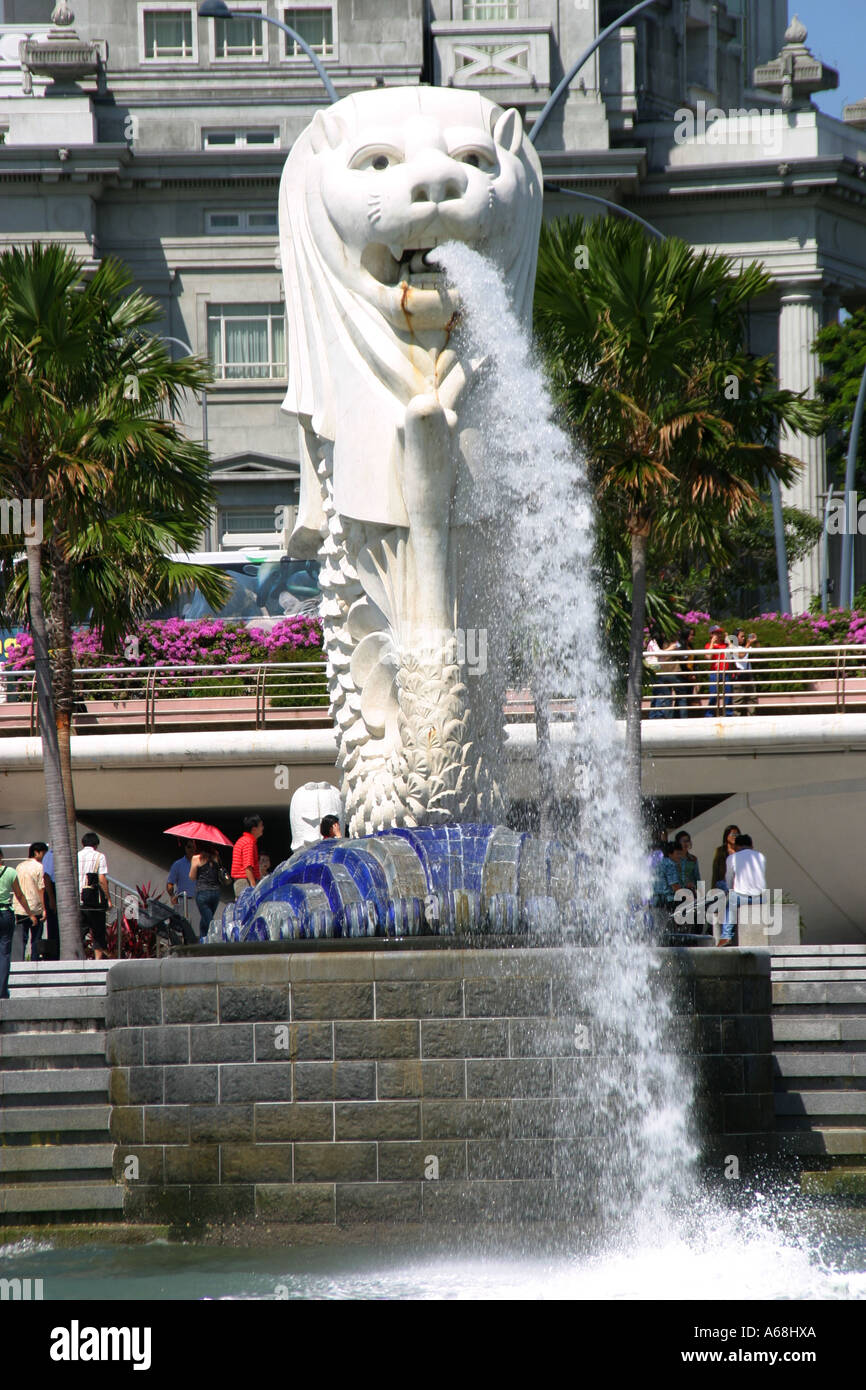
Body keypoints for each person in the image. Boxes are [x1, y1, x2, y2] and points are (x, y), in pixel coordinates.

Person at [722, 832, 768, 946]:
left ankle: (726, 936)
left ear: (736, 846)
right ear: (751, 846)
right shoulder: (761, 856)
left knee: (730, 905)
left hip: (740, 897)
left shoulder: (732, 857)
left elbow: (729, 878)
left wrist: (728, 890)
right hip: (761, 897)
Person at [11, 841, 49, 963]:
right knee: (36, 938)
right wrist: (44, 908)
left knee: (21, 938)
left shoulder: (19, 866)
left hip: (20, 907)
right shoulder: (40, 867)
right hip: (35, 907)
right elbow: (41, 889)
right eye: (43, 853)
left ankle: (19, 961)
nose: (44, 856)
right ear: (36, 852)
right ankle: (34, 961)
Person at [78, 832, 112, 961]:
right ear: (96, 844)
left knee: (80, 931)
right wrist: (108, 898)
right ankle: (98, 959)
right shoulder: (99, 856)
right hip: (93, 900)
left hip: (78, 898)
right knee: (98, 930)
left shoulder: (76, 855)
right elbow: (102, 878)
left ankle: (80, 958)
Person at [189, 843, 224, 944]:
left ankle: (217, 941)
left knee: (209, 921)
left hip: (202, 893)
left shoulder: (196, 858)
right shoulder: (216, 857)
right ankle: (202, 942)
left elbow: (192, 876)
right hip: (216, 893)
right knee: (205, 920)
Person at [0, 848, 18, 999]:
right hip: (5, 913)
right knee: (5, 954)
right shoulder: (10, 872)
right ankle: (2, 991)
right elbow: (19, 894)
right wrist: (30, 913)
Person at [231, 815, 264, 898]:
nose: (263, 828)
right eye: (261, 825)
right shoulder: (248, 843)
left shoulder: (242, 840)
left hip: (241, 882)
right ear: (254, 829)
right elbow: (248, 865)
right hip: (245, 882)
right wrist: (253, 885)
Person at [704, 625, 732, 717]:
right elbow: (708, 657)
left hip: (726, 672)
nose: (719, 635)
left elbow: (733, 653)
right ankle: (709, 715)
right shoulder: (708, 645)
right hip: (714, 672)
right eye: (717, 633)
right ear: (711, 634)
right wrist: (712, 642)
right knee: (713, 695)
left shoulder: (726, 645)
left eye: (720, 633)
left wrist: (729, 641)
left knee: (728, 694)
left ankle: (728, 714)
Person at [730, 629, 758, 717]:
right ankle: (736, 720)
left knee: (752, 699)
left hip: (749, 675)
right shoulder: (732, 647)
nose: (744, 638)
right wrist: (748, 643)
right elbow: (741, 655)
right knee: (738, 701)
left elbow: (758, 650)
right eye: (741, 636)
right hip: (739, 676)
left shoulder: (746, 646)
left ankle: (752, 718)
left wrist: (755, 641)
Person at [167, 840, 196, 917]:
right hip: (182, 901)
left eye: (194, 847)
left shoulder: (200, 865)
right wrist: (172, 895)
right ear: (185, 848)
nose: (191, 849)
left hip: (196, 903)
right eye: (189, 847)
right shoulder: (178, 864)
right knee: (181, 927)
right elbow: (170, 883)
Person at [40, 846, 59, 961]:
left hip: (60, 890)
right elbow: (46, 877)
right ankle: (53, 955)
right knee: (53, 926)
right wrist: (52, 899)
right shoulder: (50, 855)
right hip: (53, 890)